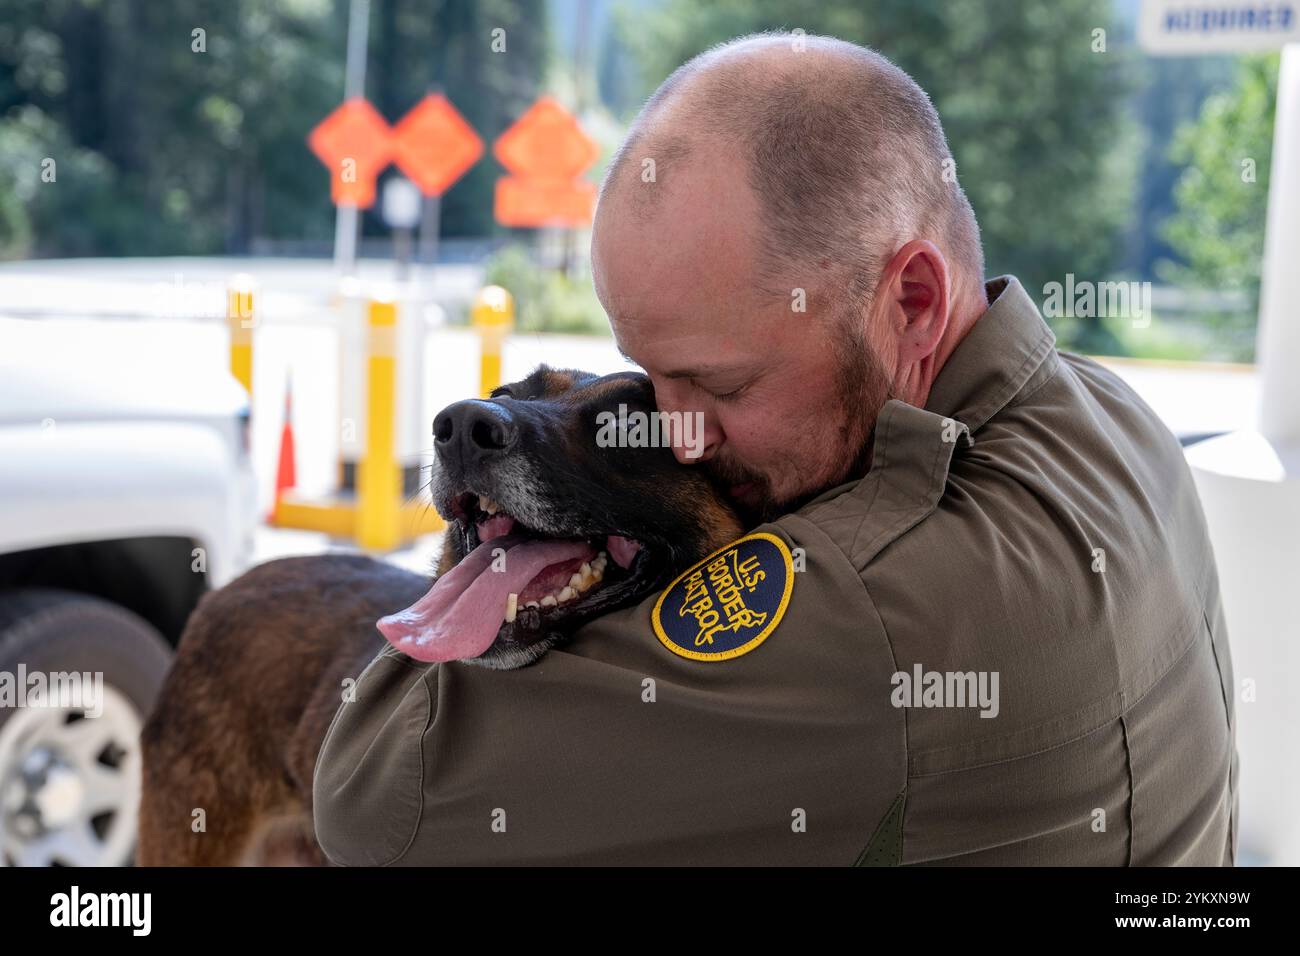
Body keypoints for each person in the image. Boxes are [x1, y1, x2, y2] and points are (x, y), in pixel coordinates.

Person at [312, 32, 1238, 865]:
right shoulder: (1107, 412)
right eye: (643, 374)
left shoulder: (878, 610)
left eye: (719, 386)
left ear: (911, 301)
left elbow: (380, 789)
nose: (673, 430)